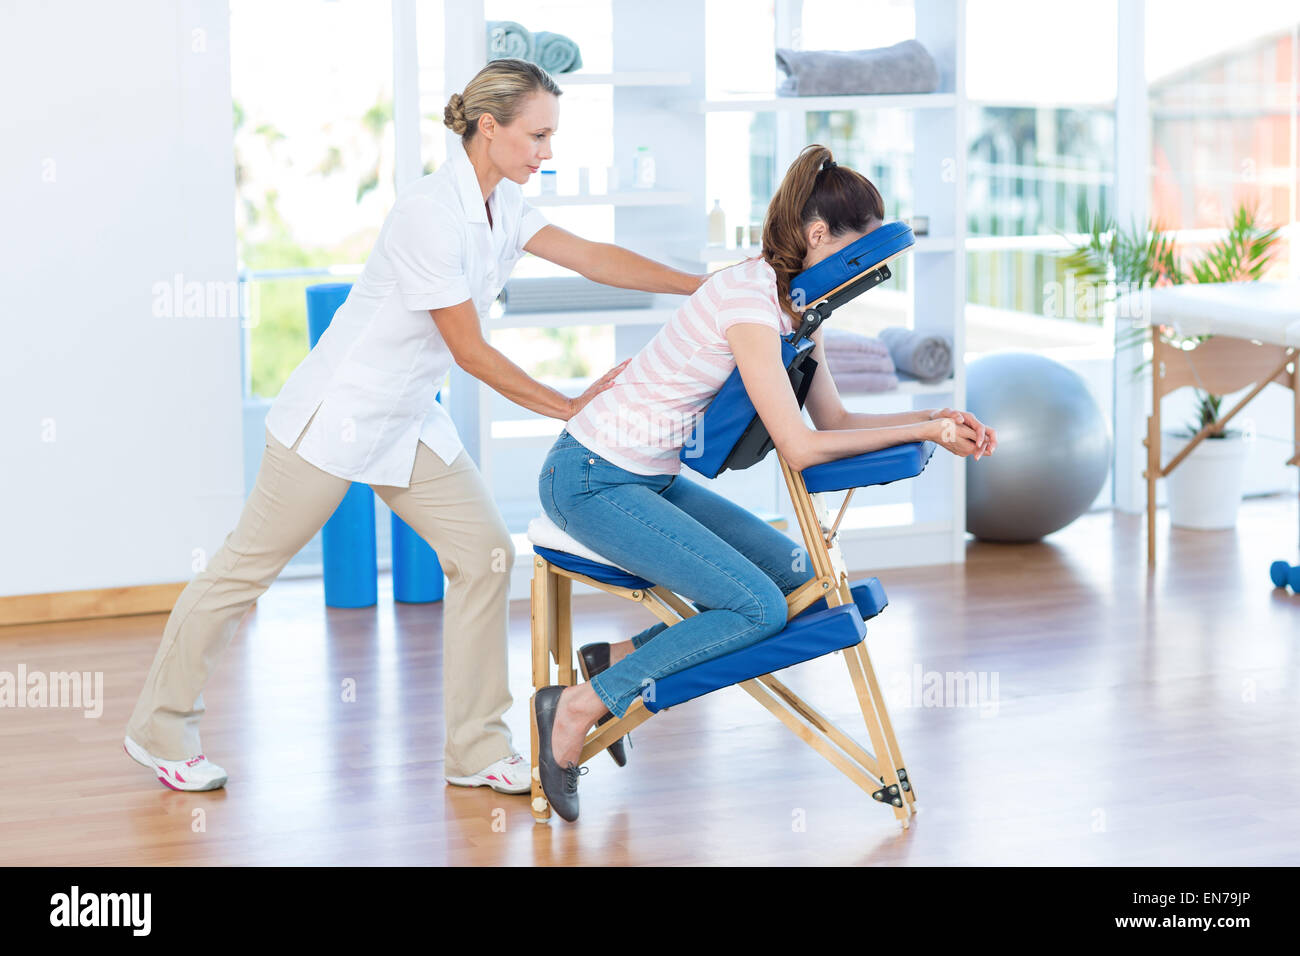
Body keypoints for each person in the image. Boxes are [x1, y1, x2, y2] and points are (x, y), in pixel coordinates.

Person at [124, 58, 706, 794]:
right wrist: (565, 403)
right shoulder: (429, 214)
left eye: (551, 138)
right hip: (335, 416)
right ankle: (158, 728)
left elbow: (592, 257)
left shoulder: (505, 207)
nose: (546, 154)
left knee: (487, 554)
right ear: (487, 128)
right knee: (245, 573)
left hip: (405, 417)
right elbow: (468, 350)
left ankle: (475, 748)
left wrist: (702, 284)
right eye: (536, 136)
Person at [532, 144, 998, 820]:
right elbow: (803, 447)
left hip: (647, 481)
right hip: (590, 478)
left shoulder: (795, 309)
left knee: (795, 581)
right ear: (818, 237)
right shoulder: (749, 304)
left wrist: (934, 416)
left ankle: (613, 660)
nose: (864, 274)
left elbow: (836, 417)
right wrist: (922, 432)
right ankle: (577, 706)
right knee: (758, 608)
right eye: (859, 254)